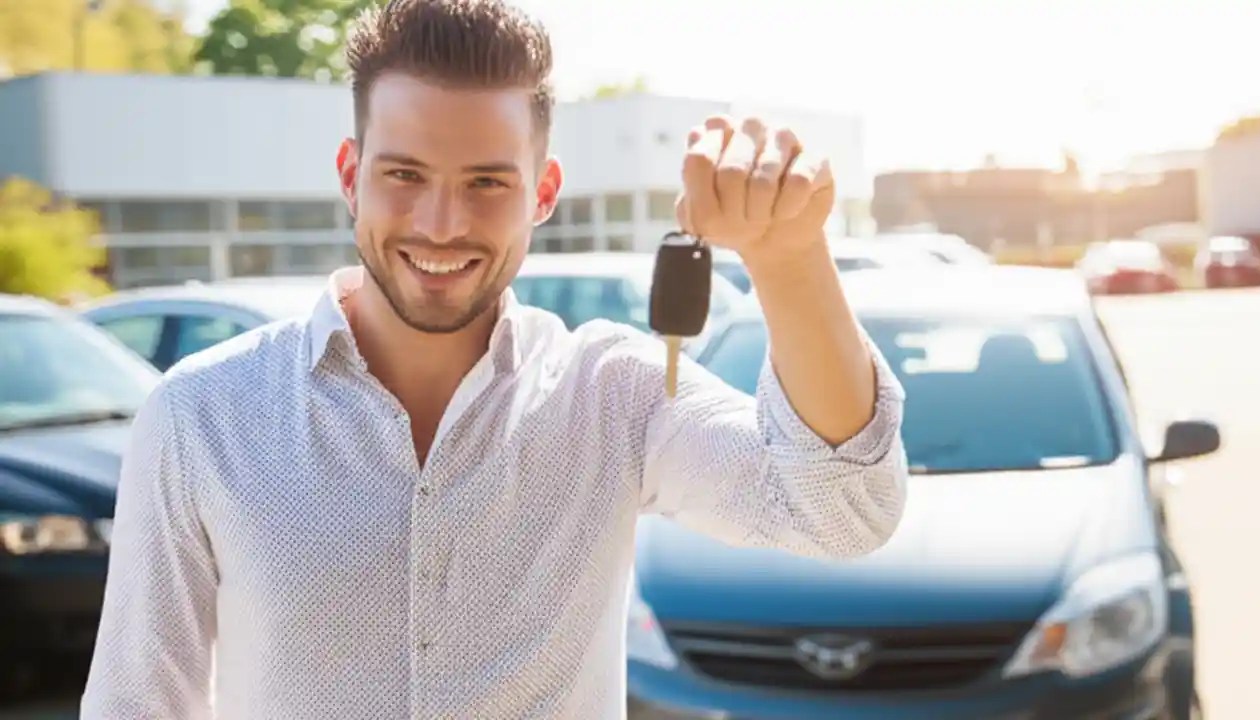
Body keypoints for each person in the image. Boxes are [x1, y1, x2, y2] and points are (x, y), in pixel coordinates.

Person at [80, 1, 909, 718]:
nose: (441, 224)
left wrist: (790, 256)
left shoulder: (613, 394)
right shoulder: (203, 416)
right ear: (350, 175)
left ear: (543, 193)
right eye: (404, 173)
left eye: (486, 183)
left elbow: (840, 511)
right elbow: (135, 704)